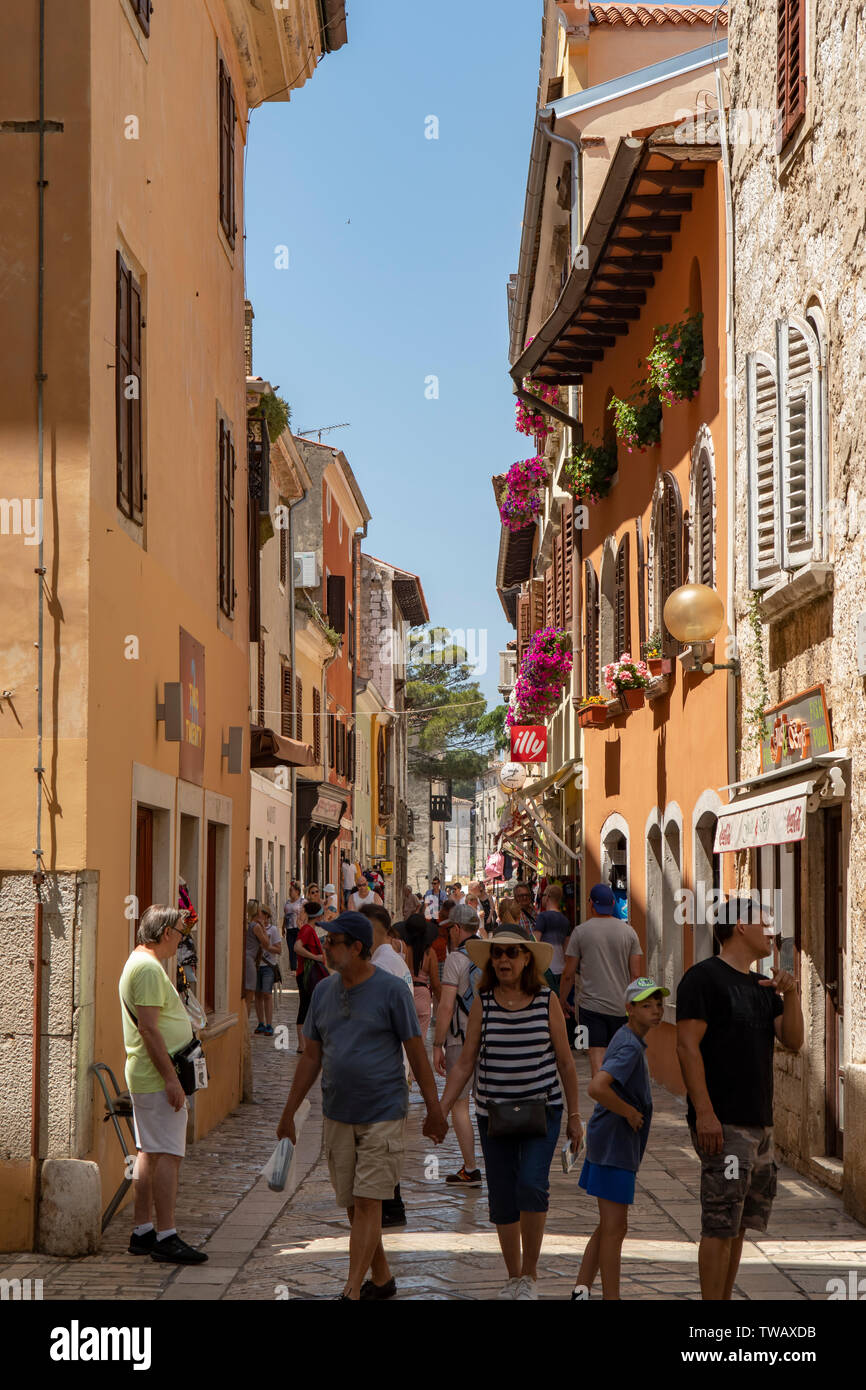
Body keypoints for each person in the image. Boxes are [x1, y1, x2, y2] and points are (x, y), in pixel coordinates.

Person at [277, 912, 447, 1299]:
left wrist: (434, 1108)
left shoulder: (391, 991)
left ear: (356, 947)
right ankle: (382, 1279)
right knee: (355, 1204)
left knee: (369, 1200)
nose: (325, 947)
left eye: (333, 942)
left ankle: (351, 1290)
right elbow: (310, 1057)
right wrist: (289, 1111)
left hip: (383, 1112)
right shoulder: (322, 992)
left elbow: (416, 1053)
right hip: (337, 1112)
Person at [440, 926, 582, 1299]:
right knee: (503, 1194)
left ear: (526, 959)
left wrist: (574, 1116)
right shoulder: (482, 1002)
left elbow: (566, 1063)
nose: (504, 959)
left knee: (532, 1186)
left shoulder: (547, 1000)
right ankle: (513, 1276)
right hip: (494, 1114)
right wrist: (440, 1108)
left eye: (512, 953)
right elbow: (465, 1061)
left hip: (543, 1110)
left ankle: (531, 1275)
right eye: (498, 954)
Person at [676, 895, 803, 1301]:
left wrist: (792, 993)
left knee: (740, 1224)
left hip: (760, 1123)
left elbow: (794, 1040)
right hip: (725, 1123)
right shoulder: (703, 979)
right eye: (764, 922)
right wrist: (706, 1113)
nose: (771, 931)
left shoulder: (763, 986)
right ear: (739, 927)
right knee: (719, 1223)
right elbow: (687, 1048)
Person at [119, 905, 207, 1265]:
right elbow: (149, 1028)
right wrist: (171, 1079)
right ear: (166, 933)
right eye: (180, 934)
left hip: (148, 1073)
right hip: (158, 1076)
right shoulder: (148, 968)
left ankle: (143, 1231)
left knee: (150, 1151)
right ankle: (166, 1236)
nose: (181, 941)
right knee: (168, 1153)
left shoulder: (139, 963)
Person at [572, 979, 667, 1300]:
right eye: (646, 1005)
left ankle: (580, 1290)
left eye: (658, 1005)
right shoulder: (628, 1044)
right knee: (615, 1229)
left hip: (613, 1144)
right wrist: (628, 1111)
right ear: (629, 1009)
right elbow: (597, 1087)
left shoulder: (629, 1039)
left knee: (608, 1226)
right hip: (614, 1144)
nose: (655, 1011)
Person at [559, 884, 643, 1076]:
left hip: (591, 1008)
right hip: (621, 1007)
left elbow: (568, 973)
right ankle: (616, 1097)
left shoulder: (580, 932)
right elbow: (636, 975)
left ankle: (602, 1101)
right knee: (618, 1057)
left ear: (591, 904)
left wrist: (562, 1001)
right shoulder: (629, 932)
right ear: (613, 903)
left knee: (596, 1056)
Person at [432, 903, 484, 1187]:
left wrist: (437, 1044)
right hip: (488, 1040)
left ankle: (471, 1168)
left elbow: (446, 1006)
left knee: (460, 1105)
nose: (448, 936)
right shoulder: (488, 955)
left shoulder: (455, 960)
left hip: (460, 1040)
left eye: (449, 929)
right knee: (488, 1105)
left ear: (456, 929)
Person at [294, 900, 328, 1054]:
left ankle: (307, 1043)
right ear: (318, 915)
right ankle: (302, 1045)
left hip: (307, 974)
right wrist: (316, 957)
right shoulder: (307, 930)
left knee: (309, 1007)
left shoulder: (311, 929)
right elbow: (297, 947)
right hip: (305, 974)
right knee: (305, 1007)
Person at [402, 912, 442, 1045]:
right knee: (419, 1045)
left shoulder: (403, 950)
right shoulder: (430, 953)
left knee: (404, 1044)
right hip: (423, 998)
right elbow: (436, 984)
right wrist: (444, 1005)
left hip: (405, 995)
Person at [253, 905, 282, 1037]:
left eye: (259, 914)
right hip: (256, 966)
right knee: (258, 995)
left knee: (267, 994)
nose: (257, 917)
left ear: (266, 916)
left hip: (268, 966)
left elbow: (279, 950)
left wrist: (266, 946)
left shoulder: (273, 930)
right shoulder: (254, 928)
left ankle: (269, 1024)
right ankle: (261, 1023)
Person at [430, 897, 455, 981]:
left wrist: (452, 958)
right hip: (430, 957)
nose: (451, 914)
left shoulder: (450, 923)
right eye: (451, 912)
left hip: (441, 958)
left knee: (440, 983)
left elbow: (450, 941)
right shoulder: (433, 918)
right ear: (445, 910)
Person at [282, 882, 302, 971]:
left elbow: (306, 914)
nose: (290, 892)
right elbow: (285, 915)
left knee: (297, 949)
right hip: (289, 928)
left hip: (298, 928)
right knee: (291, 949)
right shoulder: (287, 902)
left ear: (297, 891)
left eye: (291, 890)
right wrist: (283, 927)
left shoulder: (302, 901)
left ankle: (299, 966)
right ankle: (293, 969)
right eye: (289, 890)